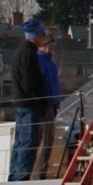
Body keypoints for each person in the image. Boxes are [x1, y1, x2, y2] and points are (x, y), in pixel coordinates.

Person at [9, 18, 53, 181]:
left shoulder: (20, 52)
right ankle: (21, 179)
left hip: (20, 103)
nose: (44, 37)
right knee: (28, 143)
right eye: (42, 34)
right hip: (29, 105)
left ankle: (14, 175)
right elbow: (30, 83)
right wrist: (41, 102)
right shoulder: (29, 54)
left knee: (20, 143)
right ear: (36, 36)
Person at [33, 33, 62, 177]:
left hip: (52, 105)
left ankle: (41, 172)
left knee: (48, 143)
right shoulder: (38, 60)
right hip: (44, 107)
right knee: (43, 143)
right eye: (50, 44)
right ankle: (38, 175)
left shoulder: (50, 61)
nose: (52, 47)